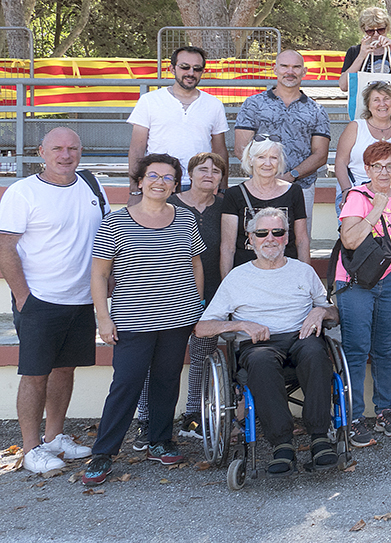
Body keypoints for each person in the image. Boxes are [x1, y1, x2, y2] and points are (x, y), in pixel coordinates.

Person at [81, 154, 204, 485]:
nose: (160, 182)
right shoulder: (115, 223)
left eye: (168, 178)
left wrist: (199, 306)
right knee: (126, 385)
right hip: (133, 321)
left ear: (176, 185)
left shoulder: (186, 219)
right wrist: (103, 320)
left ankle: (160, 442)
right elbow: (99, 275)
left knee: (166, 381)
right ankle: (103, 454)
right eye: (153, 175)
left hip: (179, 317)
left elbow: (195, 265)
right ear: (139, 182)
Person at [194, 207, 340, 477]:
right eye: (262, 233)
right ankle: (282, 445)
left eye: (278, 232)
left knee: (316, 353)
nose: (270, 238)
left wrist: (320, 311)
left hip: (300, 337)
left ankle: (320, 438)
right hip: (258, 344)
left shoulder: (303, 272)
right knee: (260, 362)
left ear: (287, 238)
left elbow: (333, 312)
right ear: (250, 239)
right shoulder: (237, 277)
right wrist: (240, 324)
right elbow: (203, 328)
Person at [0, 128, 107, 474]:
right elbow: (5, 247)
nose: (65, 154)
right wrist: (22, 297)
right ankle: (31, 448)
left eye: (72, 148)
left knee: (65, 369)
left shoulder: (91, 186)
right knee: (35, 374)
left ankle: (55, 436)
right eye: (57, 148)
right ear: (41, 152)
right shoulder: (23, 192)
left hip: (80, 300)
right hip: (40, 300)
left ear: (81, 151)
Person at [335, 141, 391, 447]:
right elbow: (350, 238)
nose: (384, 171)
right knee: (357, 350)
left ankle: (384, 411)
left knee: (384, 348)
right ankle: (355, 418)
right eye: (377, 166)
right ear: (367, 169)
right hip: (357, 281)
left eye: (389, 166)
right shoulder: (358, 197)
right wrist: (377, 210)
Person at [234, 49, 331, 234]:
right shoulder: (253, 104)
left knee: (299, 240)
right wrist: (267, 176)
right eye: (284, 66)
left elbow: (320, 155)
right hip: (260, 187)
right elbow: (241, 148)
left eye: (296, 67)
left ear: (304, 71)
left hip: (301, 188)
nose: (290, 71)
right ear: (275, 69)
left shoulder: (317, 110)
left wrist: (290, 176)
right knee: (260, 241)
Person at [167, 153, 228, 440]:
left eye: (216, 171)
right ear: (190, 173)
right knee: (163, 357)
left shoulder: (225, 207)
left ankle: (193, 415)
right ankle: (147, 419)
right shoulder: (171, 204)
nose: (209, 174)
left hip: (212, 292)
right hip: (170, 293)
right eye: (203, 169)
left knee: (202, 355)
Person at [126, 46, 228, 195]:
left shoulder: (214, 104)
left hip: (198, 186)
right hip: (159, 184)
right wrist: (135, 190)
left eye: (197, 68)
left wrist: (223, 190)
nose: (191, 73)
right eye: (184, 67)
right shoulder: (149, 101)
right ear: (172, 69)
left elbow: (220, 152)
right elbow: (137, 149)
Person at [219, 137, 309, 277]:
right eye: (261, 157)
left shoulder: (294, 192)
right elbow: (228, 247)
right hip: (246, 274)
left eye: (273, 157)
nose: (267, 163)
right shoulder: (234, 194)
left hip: (286, 273)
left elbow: (302, 241)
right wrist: (227, 283)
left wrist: (306, 277)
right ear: (250, 160)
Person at [334, 80, 391, 213]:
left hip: (390, 197)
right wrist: (346, 191)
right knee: (354, 234)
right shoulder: (356, 127)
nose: (382, 104)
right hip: (355, 193)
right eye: (376, 100)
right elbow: (340, 162)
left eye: (386, 99)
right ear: (368, 105)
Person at [338, 7, 391, 122]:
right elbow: (343, 85)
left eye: (380, 30)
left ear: (387, 29)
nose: (375, 35)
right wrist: (361, 56)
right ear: (363, 30)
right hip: (366, 117)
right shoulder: (354, 51)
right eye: (370, 31)